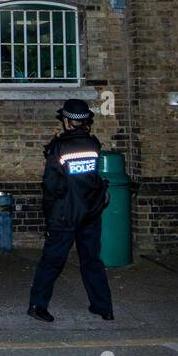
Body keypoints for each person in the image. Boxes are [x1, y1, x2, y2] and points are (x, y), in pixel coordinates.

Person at [27, 99, 114, 322]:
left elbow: (51, 186)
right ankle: (104, 307)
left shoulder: (58, 148)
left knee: (52, 261)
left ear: (67, 121)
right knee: (92, 260)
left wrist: (50, 215)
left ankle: (38, 305)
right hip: (90, 214)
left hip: (64, 215)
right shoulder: (94, 144)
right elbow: (91, 180)